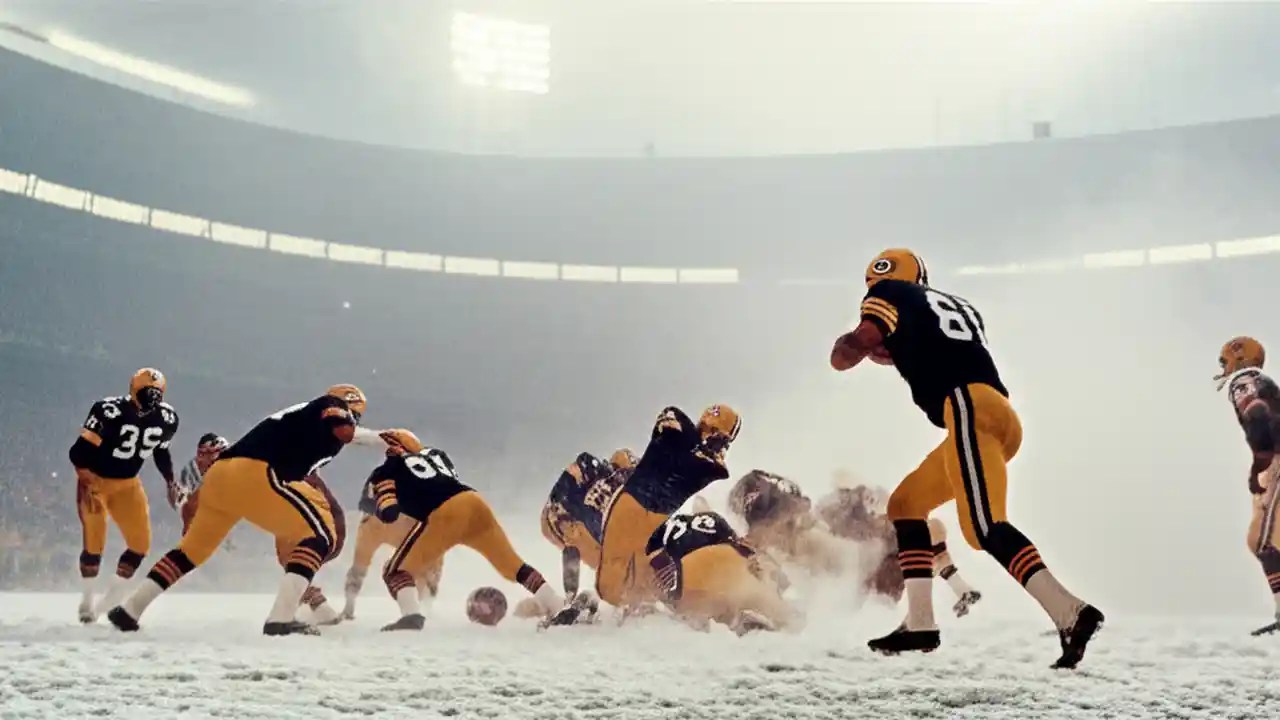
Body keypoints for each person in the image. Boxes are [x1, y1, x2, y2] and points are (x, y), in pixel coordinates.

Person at [830, 248, 1102, 668]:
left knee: (983, 528)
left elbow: (854, 347)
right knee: (905, 505)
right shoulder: (951, 304)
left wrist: (852, 346)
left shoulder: (886, 290)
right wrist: (898, 347)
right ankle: (920, 622)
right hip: (993, 415)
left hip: (967, 408)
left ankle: (1070, 611)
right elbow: (937, 341)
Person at [109, 385, 374, 636]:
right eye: (356, 416)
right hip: (255, 473)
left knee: (189, 552)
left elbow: (194, 503)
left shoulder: (298, 430)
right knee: (319, 537)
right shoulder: (329, 409)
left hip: (220, 477)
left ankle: (130, 609)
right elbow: (342, 435)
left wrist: (190, 521)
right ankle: (281, 618)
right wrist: (385, 439)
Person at [70, 368, 179, 623]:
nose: (151, 399)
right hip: (95, 482)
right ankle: (86, 601)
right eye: (146, 392)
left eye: (155, 394)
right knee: (94, 542)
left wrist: (170, 481)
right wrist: (85, 477)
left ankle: (107, 601)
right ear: (133, 390)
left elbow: (161, 452)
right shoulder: (109, 411)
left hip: (128, 485)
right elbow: (78, 452)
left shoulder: (166, 418)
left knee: (140, 545)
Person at [1215, 336, 1280, 635]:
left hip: (1276, 460)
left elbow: (1256, 413)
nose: (1223, 367)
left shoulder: (1244, 382)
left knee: (1263, 540)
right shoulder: (1261, 380)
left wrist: (1260, 464)